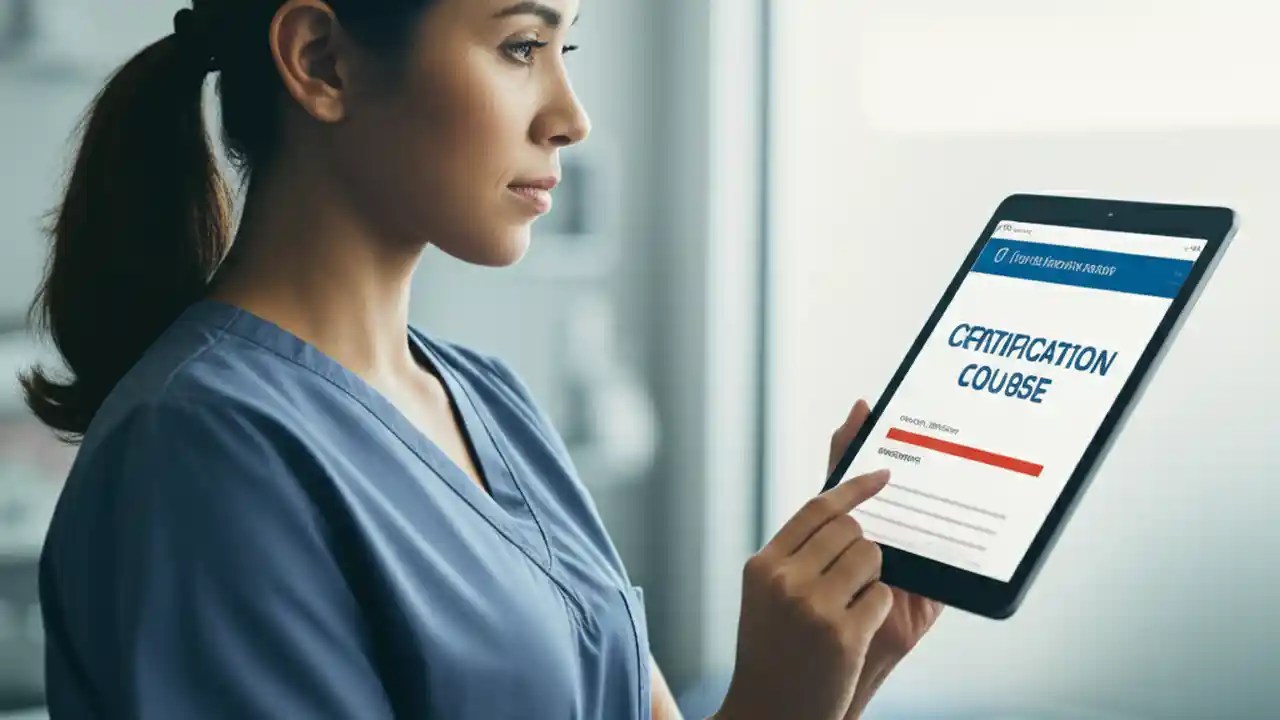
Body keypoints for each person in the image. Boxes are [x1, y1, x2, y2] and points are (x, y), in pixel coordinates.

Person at [26, 0, 943, 717]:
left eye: (565, 50)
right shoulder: (201, 452)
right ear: (321, 60)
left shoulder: (490, 400)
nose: (571, 117)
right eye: (518, 46)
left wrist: (840, 665)